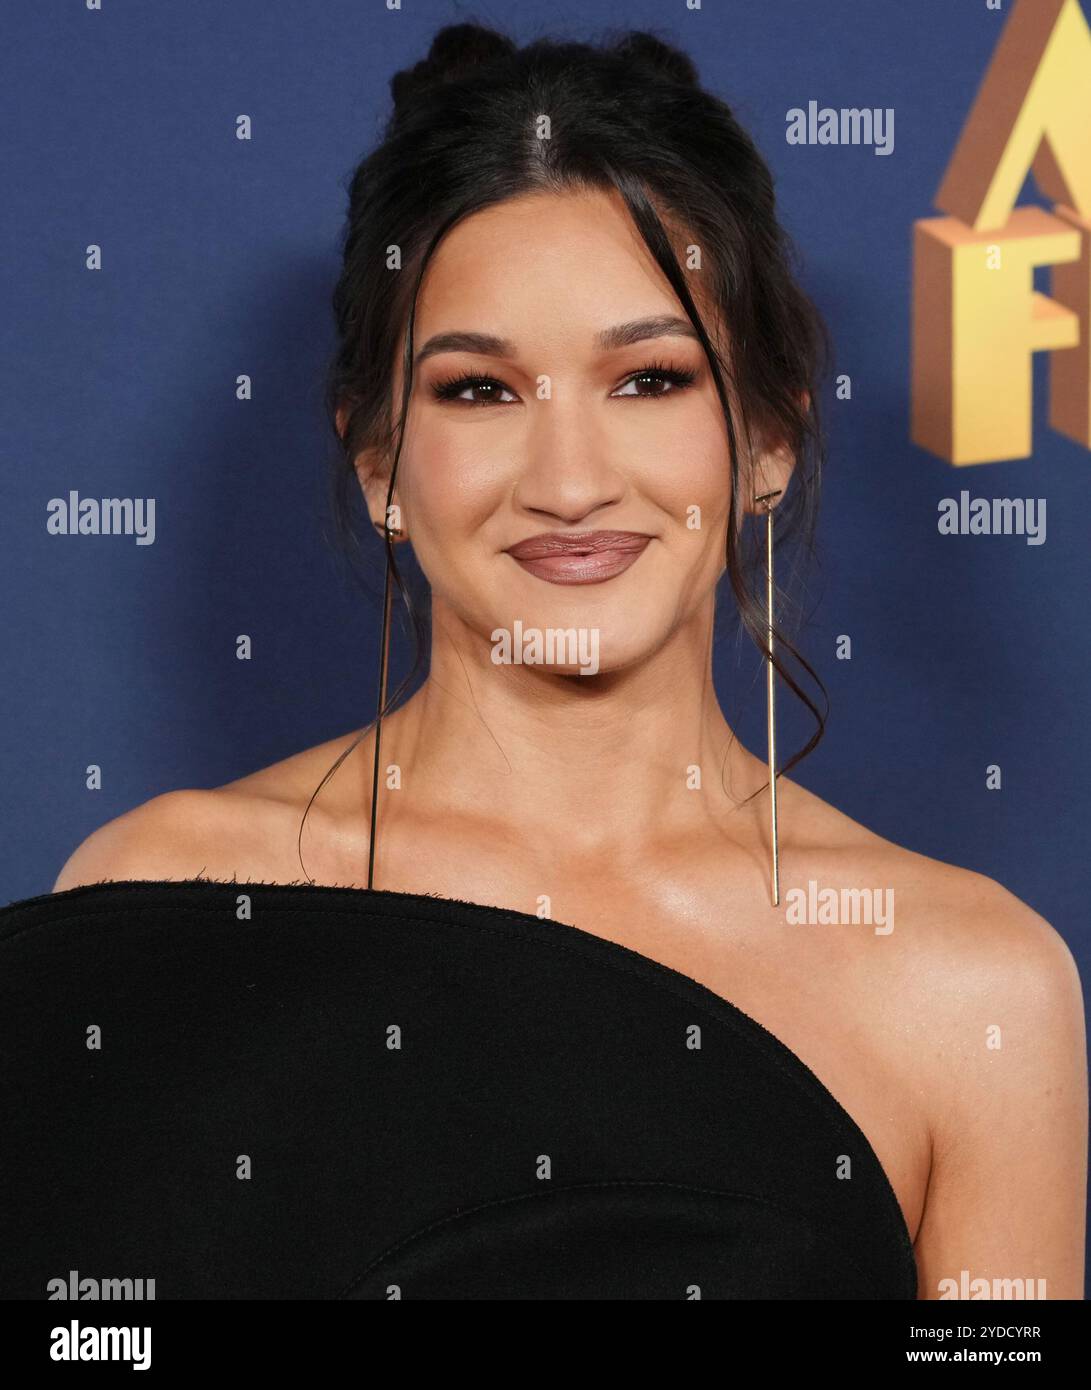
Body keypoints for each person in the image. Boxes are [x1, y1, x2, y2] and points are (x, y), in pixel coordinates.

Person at [45, 23, 1086, 1298]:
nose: (572, 481)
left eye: (647, 379)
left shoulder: (972, 988)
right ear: (378, 464)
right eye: (480, 391)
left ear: (763, 440)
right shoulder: (166, 895)